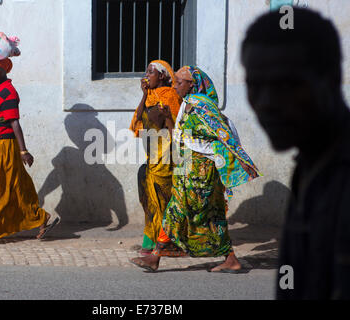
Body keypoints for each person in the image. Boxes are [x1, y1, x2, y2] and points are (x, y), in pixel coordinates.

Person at [241, 8, 350, 299]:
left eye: (285, 85)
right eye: (255, 86)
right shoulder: (312, 166)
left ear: (331, 78)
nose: (266, 103)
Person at [130, 66, 260, 272]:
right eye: (175, 82)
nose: (175, 87)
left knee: (176, 209)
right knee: (212, 215)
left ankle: (155, 256)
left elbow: (223, 133)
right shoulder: (188, 105)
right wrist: (167, 118)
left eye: (180, 83)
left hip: (201, 170)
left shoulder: (201, 104)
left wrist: (240, 159)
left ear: (192, 84)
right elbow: (179, 137)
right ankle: (231, 258)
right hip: (189, 165)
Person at [0, 57, 60, 244]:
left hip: (3, 147)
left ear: (6, 69)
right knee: (15, 186)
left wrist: (23, 150)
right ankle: (39, 218)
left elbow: (14, 122)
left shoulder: (8, 92)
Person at [129, 60, 182, 254]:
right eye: (146, 72)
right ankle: (151, 240)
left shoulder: (169, 97)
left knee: (162, 201)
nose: (146, 76)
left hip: (167, 159)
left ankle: (164, 242)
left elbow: (172, 127)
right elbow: (137, 122)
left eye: (151, 72)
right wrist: (144, 96)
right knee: (150, 200)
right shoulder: (150, 97)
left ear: (161, 76)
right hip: (152, 158)